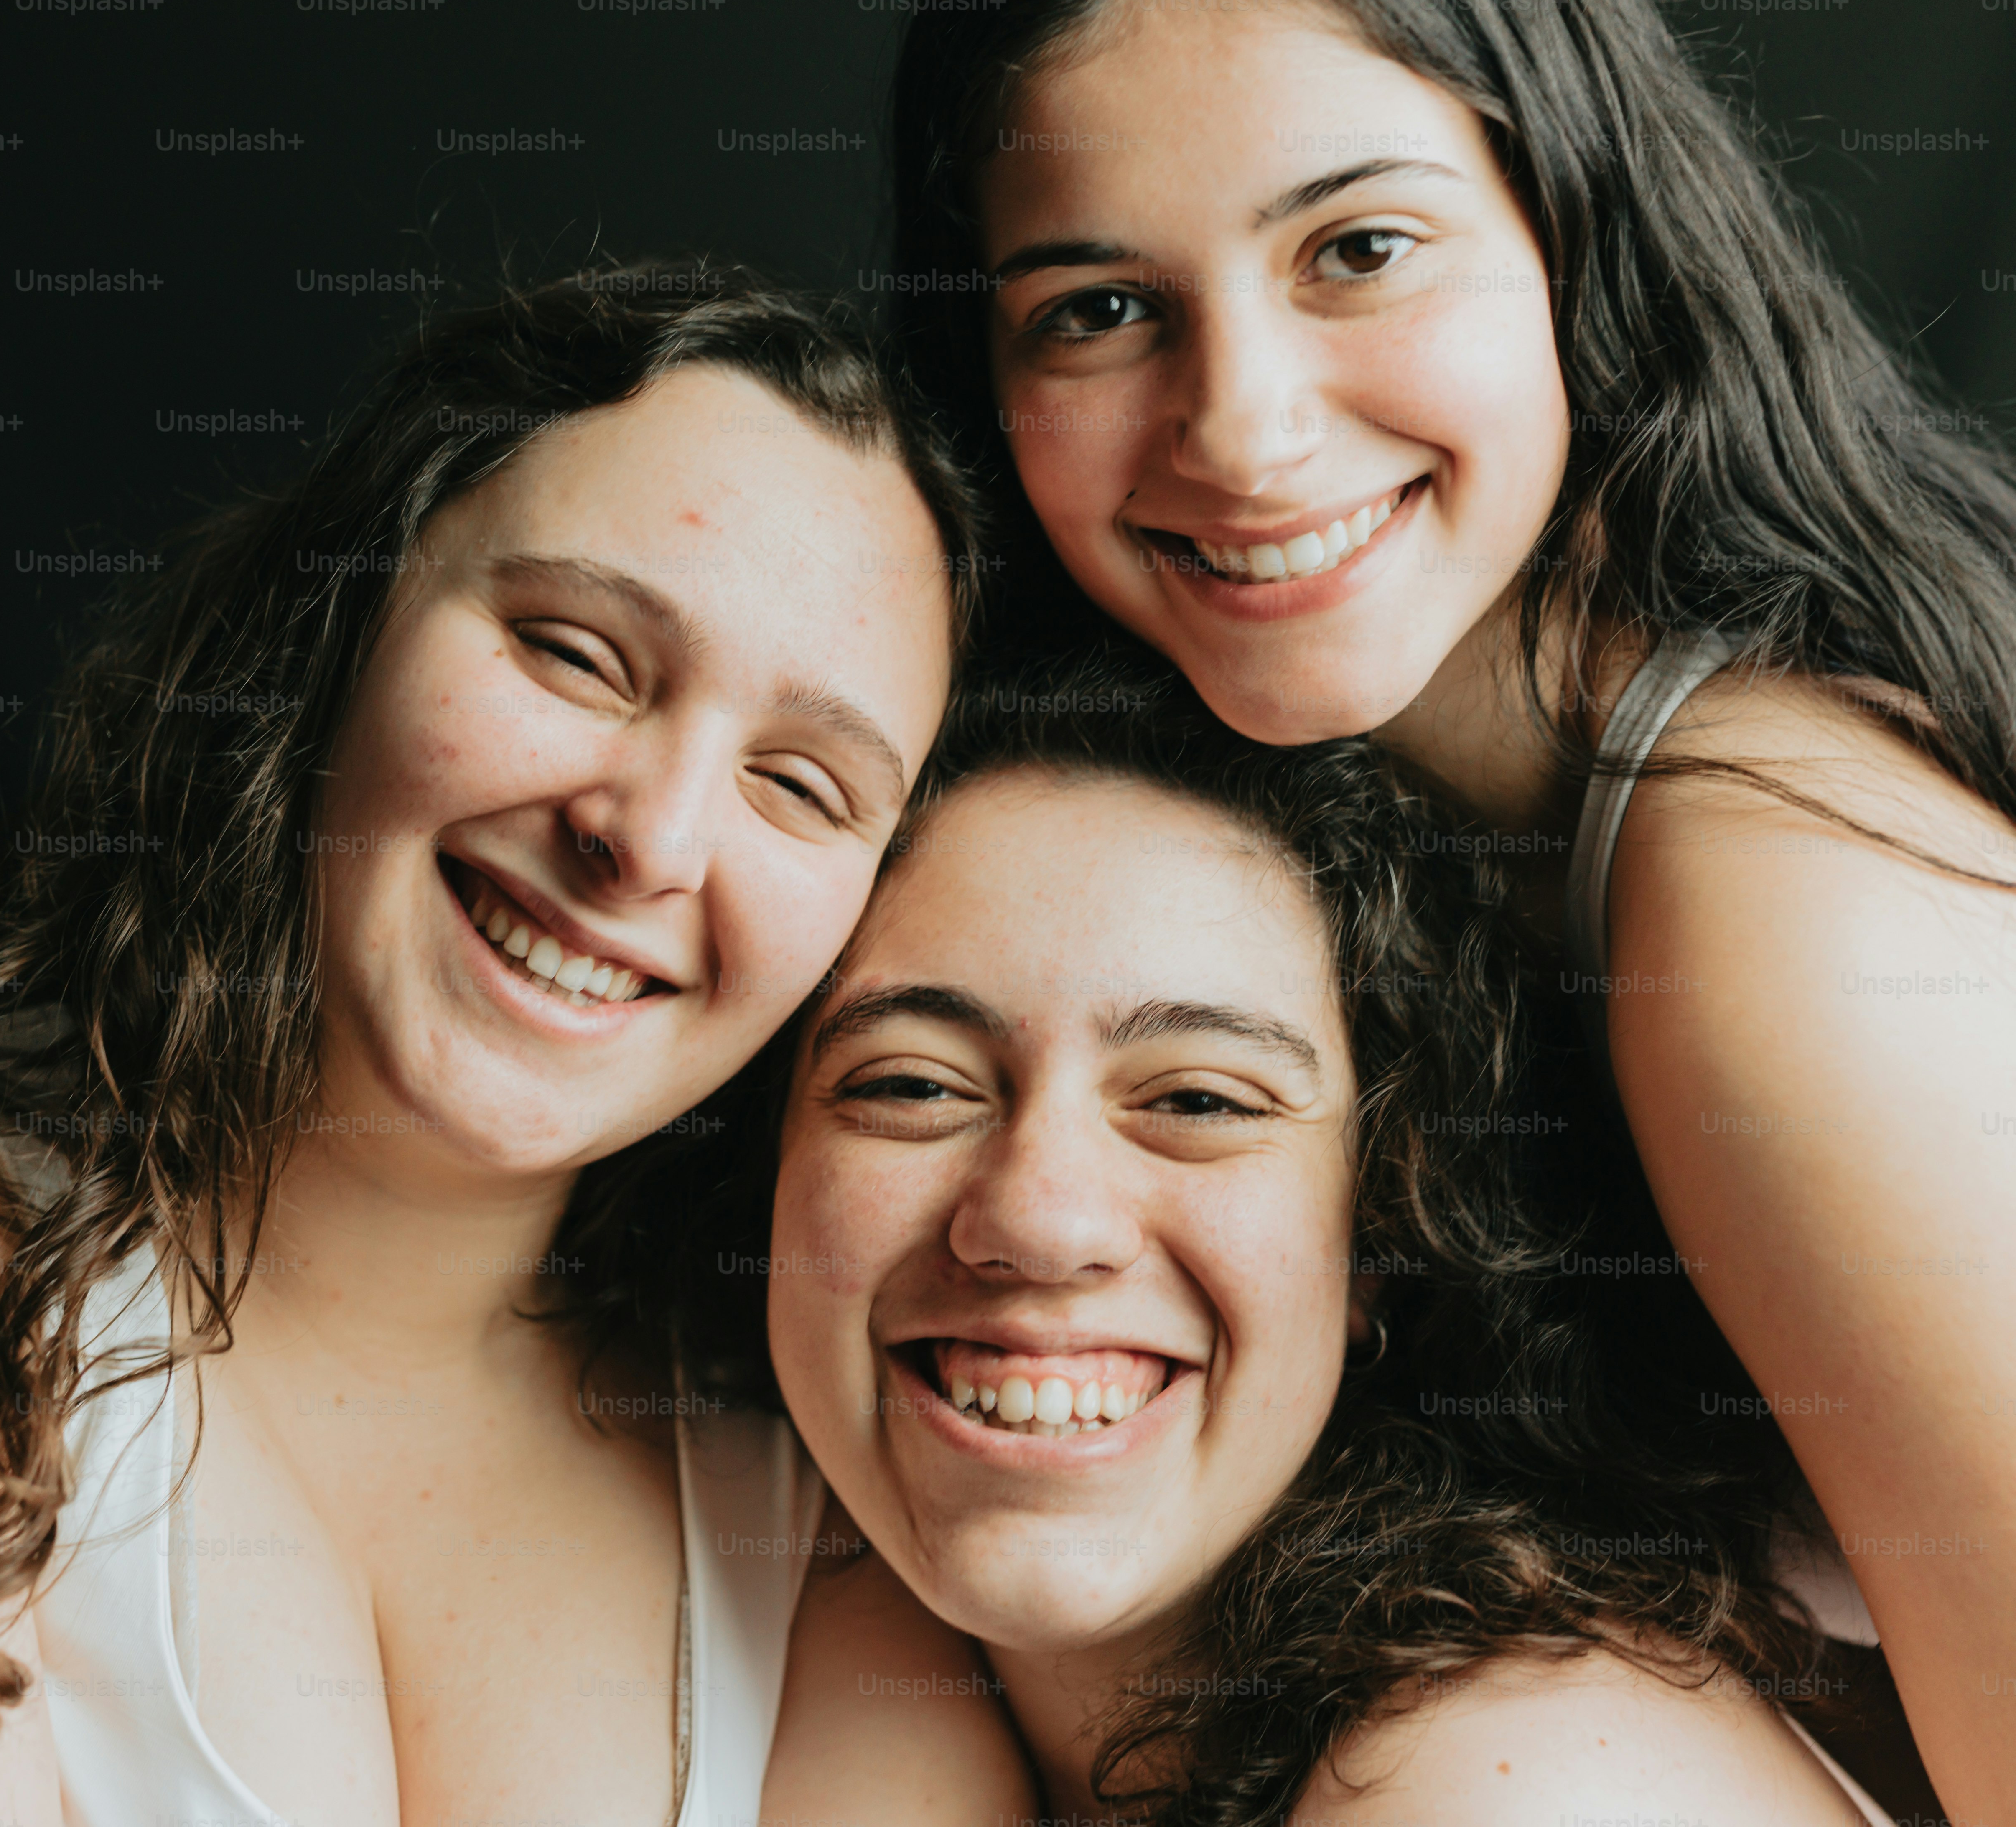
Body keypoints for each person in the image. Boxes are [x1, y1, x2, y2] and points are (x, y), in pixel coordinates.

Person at [888, 0, 2016, 1812]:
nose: (1241, 429)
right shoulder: (1276, 867)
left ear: (1573, 220)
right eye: (1097, 307)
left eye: (1357, 250)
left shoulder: (1775, 913)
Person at [0, 266, 1033, 1825]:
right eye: (577, 655)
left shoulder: (822, 1534)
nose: (648, 840)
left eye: (800, 784)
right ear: (340, 623)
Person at [750, 656, 1896, 1824]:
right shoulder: (815, 1619)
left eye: (1200, 1102)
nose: (1038, 1220)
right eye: (913, 1086)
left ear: (1385, 1238)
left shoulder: (1506, 1778)